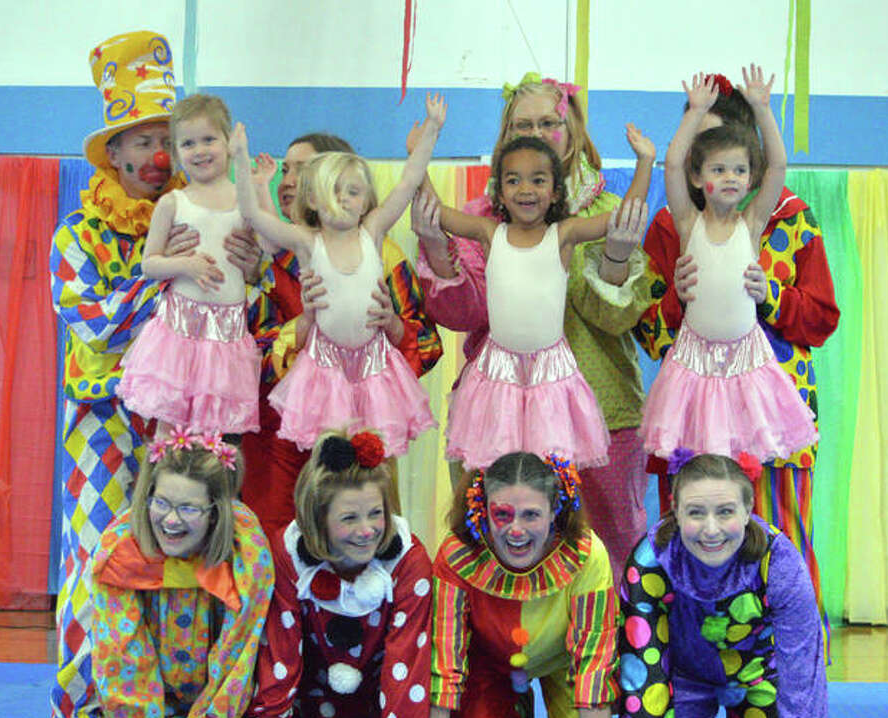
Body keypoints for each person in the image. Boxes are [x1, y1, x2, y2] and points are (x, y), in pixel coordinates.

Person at [48, 31, 264, 718]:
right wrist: (162, 272)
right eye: (138, 142)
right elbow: (96, 323)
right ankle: (85, 707)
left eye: (160, 138)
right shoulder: (76, 236)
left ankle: (173, 702)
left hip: (184, 419)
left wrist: (248, 274)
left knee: (186, 567)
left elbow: (235, 314)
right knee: (98, 564)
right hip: (103, 425)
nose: (158, 156)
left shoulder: (204, 208)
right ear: (113, 156)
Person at [412, 72, 655, 577]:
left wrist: (645, 164)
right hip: (498, 396)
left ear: (572, 129)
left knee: (602, 546)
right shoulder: (487, 223)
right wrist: (424, 152)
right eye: (525, 124)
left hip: (587, 404)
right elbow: (444, 245)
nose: (539, 132)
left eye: (550, 121)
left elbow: (621, 302)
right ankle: (492, 642)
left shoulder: (581, 223)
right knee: (501, 530)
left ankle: (611, 646)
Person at [634, 70, 838, 653]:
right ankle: (690, 654)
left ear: (748, 159)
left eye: (733, 158)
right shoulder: (676, 224)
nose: (723, 170)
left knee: (781, 534)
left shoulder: (783, 215)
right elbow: (651, 328)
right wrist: (676, 292)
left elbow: (822, 317)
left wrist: (769, 293)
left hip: (771, 402)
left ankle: (793, 656)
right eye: (708, 155)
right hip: (698, 397)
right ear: (697, 166)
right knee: (697, 527)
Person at [240, 133, 443, 537]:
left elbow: (427, 347)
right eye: (288, 168)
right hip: (280, 442)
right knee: (283, 541)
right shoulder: (270, 257)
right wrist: (300, 328)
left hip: (362, 423)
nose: (290, 179)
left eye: (305, 169)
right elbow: (245, 356)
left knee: (358, 527)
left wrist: (391, 324)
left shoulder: (382, 254)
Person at [418, 132, 648, 472]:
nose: (526, 189)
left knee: (549, 469)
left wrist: (644, 161)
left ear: (555, 191)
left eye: (538, 180)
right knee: (501, 467)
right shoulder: (488, 232)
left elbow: (621, 217)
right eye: (513, 181)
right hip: (498, 373)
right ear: (499, 191)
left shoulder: (564, 234)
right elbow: (435, 212)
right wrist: (420, 152)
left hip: (551, 374)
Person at [230, 94, 445, 458]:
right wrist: (239, 157)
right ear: (311, 199)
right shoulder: (304, 242)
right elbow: (252, 214)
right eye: (334, 191)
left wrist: (432, 132)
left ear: (366, 200)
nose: (344, 200)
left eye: (354, 191)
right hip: (325, 368)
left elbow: (409, 182)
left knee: (368, 460)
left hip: (373, 366)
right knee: (329, 461)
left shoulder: (373, 233)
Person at [639, 67, 817, 461]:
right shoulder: (687, 223)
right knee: (702, 457)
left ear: (751, 175)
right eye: (718, 170)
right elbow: (671, 166)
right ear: (699, 177)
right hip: (694, 359)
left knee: (743, 462)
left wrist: (763, 110)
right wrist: (694, 113)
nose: (731, 178)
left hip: (746, 359)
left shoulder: (752, 224)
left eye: (739, 170)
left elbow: (777, 167)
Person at [618, 452, 828, 718]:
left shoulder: (778, 562)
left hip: (757, 675)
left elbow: (801, 677)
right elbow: (643, 674)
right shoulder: (651, 561)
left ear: (748, 509)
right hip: (680, 676)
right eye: (695, 513)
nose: (711, 529)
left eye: (725, 512)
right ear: (676, 511)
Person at [247, 431, 432, 718]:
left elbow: (406, 672)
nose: (367, 530)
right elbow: (279, 665)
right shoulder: (288, 555)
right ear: (319, 518)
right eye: (349, 518)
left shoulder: (408, 561)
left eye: (375, 513)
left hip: (379, 704)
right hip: (307, 706)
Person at [89, 430, 273, 718]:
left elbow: (236, 657)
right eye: (161, 502)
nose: (171, 520)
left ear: (215, 511)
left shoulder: (246, 551)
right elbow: (121, 656)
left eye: (188, 508)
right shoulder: (120, 548)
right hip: (148, 703)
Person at [431, 451, 618, 718]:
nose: (516, 530)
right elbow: (445, 661)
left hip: (563, 662)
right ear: (483, 509)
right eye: (503, 514)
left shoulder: (586, 554)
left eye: (531, 515)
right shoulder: (457, 555)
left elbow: (594, 664)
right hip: (488, 663)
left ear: (554, 510)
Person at [117, 93, 261, 435]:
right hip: (179, 330)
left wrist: (248, 168)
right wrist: (185, 264)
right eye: (188, 144)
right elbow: (149, 264)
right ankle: (162, 487)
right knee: (170, 430)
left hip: (226, 334)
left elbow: (263, 255)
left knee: (213, 436)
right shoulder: (173, 202)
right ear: (178, 154)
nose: (199, 151)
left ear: (229, 141)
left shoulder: (246, 200)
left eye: (209, 139)